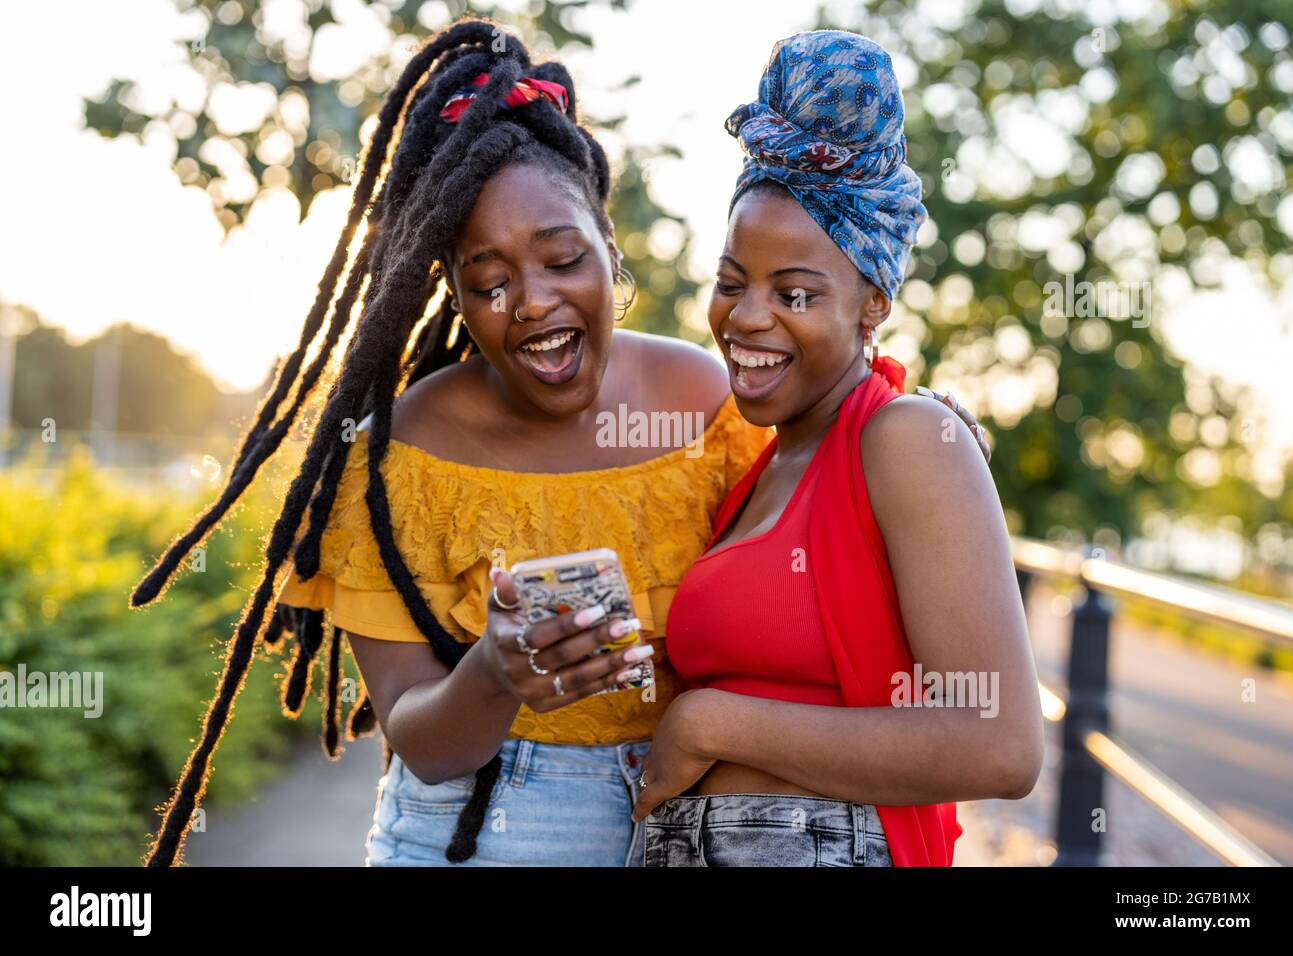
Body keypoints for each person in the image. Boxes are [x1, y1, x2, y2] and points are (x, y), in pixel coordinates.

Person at [131, 19, 988, 868]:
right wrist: (492, 675)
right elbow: (418, 739)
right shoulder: (403, 456)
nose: (532, 302)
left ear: (611, 255)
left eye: (561, 258)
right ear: (456, 298)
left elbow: (836, 471)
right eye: (490, 282)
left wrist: (937, 432)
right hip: (479, 829)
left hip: (683, 828)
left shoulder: (713, 402)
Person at [632, 30, 1044, 867]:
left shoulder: (904, 438)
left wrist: (711, 721)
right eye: (731, 280)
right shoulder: (761, 464)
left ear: (872, 303)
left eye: (795, 293)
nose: (747, 317)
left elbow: (1001, 747)